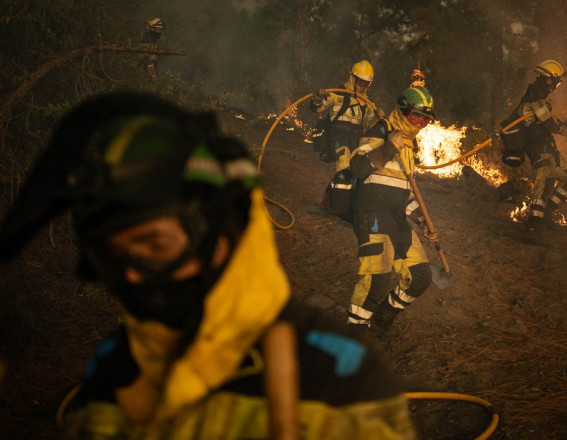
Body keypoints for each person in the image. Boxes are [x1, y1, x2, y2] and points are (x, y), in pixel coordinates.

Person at [0, 92, 415, 439]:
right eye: (108, 258)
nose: (130, 276)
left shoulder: (342, 374)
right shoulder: (115, 364)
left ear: (225, 233)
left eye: (155, 244)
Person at [346, 86, 438, 334]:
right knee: (377, 280)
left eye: (426, 120)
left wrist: (422, 221)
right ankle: (354, 334)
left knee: (420, 278)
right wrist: (388, 148)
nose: (420, 124)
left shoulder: (409, 145)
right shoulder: (381, 131)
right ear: (403, 110)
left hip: (397, 221)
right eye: (416, 117)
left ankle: (383, 316)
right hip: (372, 216)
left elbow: (405, 192)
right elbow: (356, 168)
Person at [498, 59, 567, 236]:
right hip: (537, 147)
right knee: (542, 184)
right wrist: (565, 131)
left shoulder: (537, 95)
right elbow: (548, 122)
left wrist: (565, 124)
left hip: (546, 146)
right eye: (556, 82)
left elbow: (546, 119)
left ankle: (546, 214)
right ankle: (533, 226)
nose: (555, 86)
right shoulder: (535, 94)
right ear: (548, 79)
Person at [310, 60, 384, 171]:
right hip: (338, 136)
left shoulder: (367, 103)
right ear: (353, 79)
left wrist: (378, 117)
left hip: (356, 139)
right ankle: (342, 183)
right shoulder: (337, 95)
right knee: (344, 162)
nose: (363, 86)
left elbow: (371, 125)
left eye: (367, 83)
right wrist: (318, 98)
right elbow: (317, 107)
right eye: (361, 82)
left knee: (357, 169)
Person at [141, 18, 165, 82]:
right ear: (152, 29)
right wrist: (154, 76)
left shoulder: (153, 41)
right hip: (143, 74)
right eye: (158, 29)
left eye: (161, 30)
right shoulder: (147, 40)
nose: (160, 32)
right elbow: (147, 61)